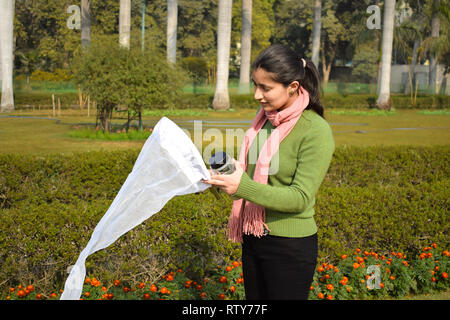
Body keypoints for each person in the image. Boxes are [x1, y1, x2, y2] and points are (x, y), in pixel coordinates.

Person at [202, 44, 335, 300]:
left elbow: (300, 198)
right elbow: (250, 177)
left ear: (293, 87)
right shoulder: (264, 120)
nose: (256, 95)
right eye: (255, 85)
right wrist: (224, 175)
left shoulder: (315, 131)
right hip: (254, 238)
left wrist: (241, 186)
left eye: (266, 88)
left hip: (290, 247)